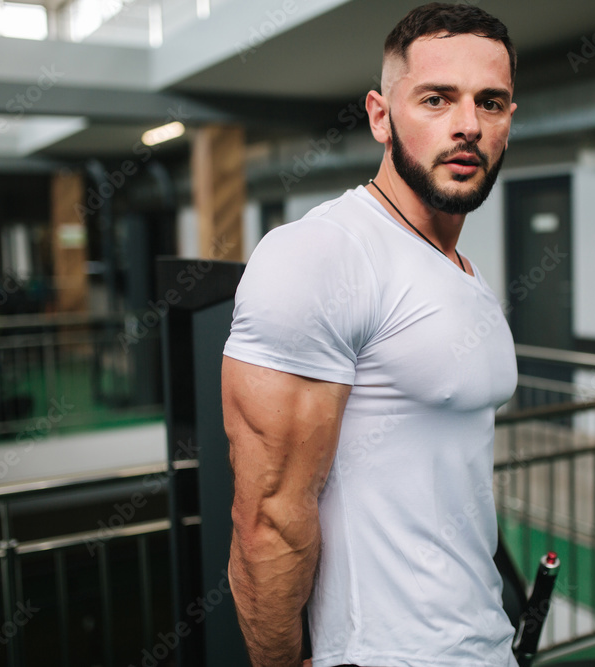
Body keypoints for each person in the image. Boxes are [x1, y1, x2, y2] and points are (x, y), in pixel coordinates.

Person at [221, 4, 519, 666]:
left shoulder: (461, 270)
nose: (468, 125)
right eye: (437, 99)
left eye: (490, 102)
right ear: (381, 115)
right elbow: (267, 517)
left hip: (482, 641)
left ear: (508, 121)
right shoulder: (325, 253)